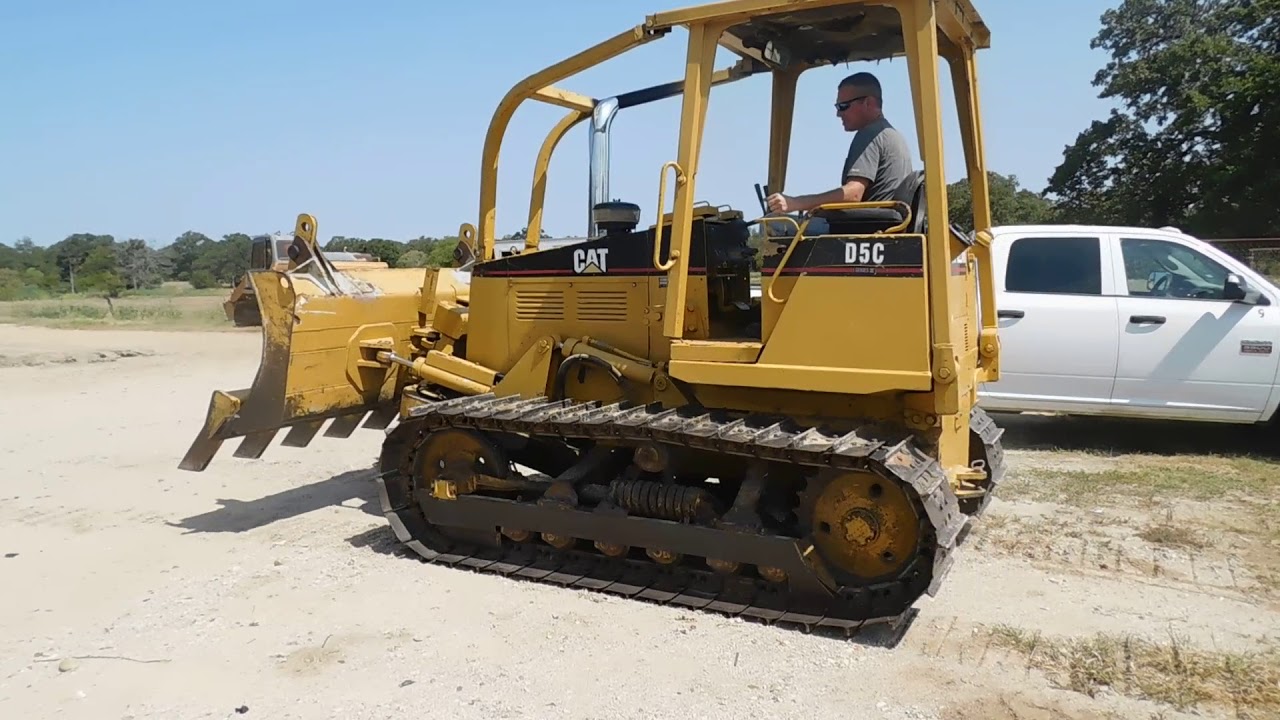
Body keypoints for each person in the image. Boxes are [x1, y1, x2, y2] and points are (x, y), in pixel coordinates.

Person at [764, 72, 914, 234]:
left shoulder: (869, 135)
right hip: (882, 229)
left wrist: (794, 203)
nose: (838, 114)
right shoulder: (893, 136)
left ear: (868, 103)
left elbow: (853, 194)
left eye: (843, 106)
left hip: (863, 231)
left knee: (773, 225)